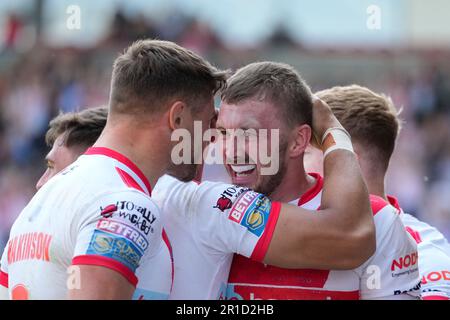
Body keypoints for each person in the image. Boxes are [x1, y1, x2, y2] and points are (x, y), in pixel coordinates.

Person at [0, 39, 228, 299]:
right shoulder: (125, 203)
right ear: (177, 118)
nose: (212, 135)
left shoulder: (39, 202)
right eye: (209, 120)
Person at [218, 62, 420, 300]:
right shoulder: (212, 209)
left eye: (248, 134)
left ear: (298, 141)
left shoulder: (379, 221)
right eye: (223, 133)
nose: (231, 152)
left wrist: (333, 132)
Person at [309, 84, 450, 300]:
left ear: (345, 163)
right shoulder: (293, 238)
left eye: (305, 152)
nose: (294, 168)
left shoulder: (424, 254)